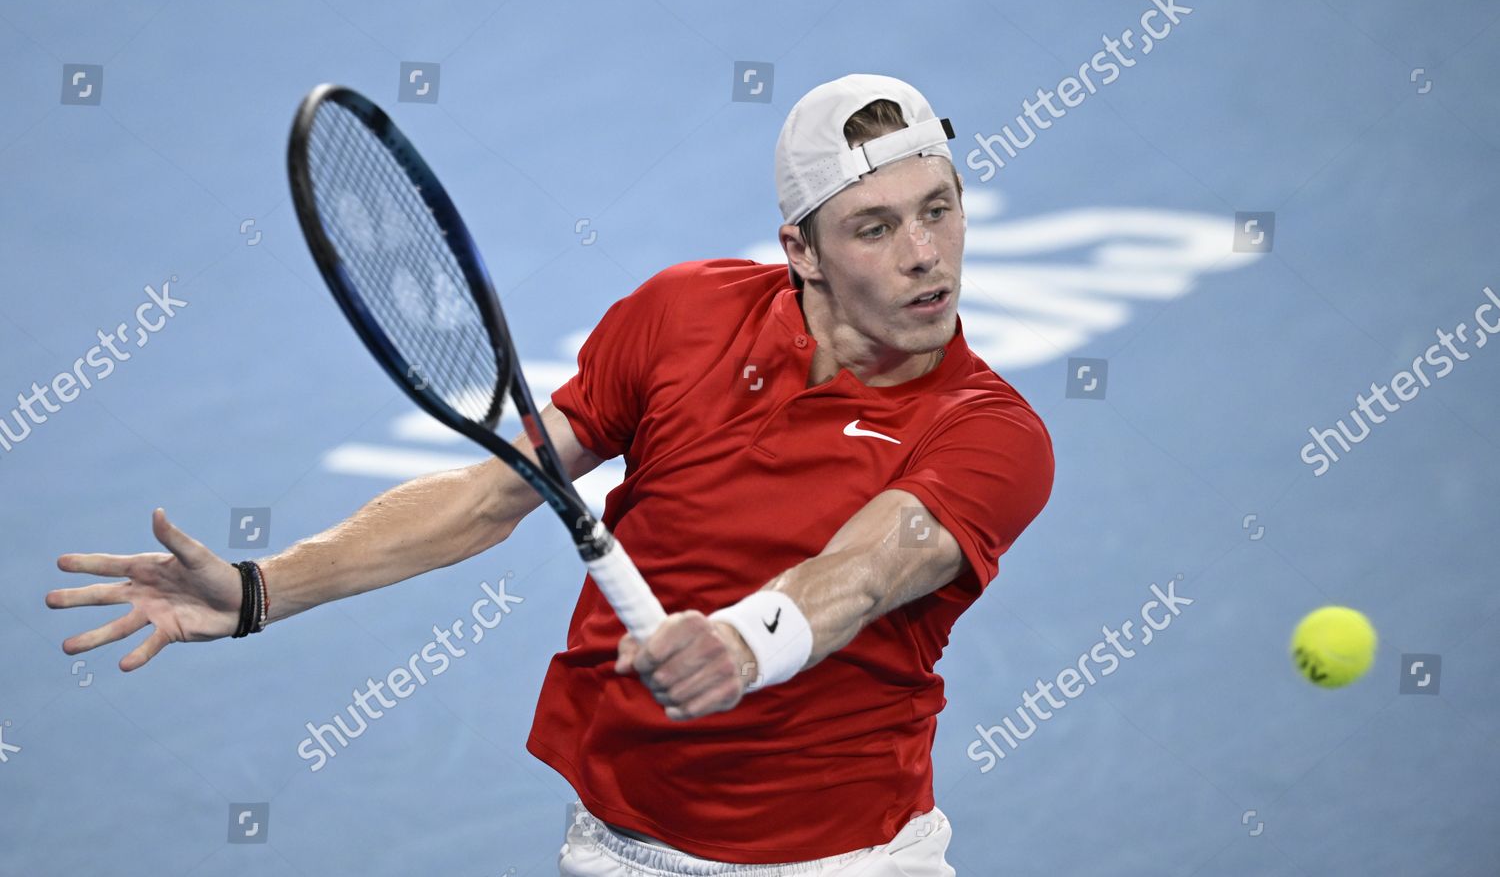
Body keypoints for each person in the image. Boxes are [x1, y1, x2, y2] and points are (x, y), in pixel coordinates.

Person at [46, 73, 1054, 875]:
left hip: (847, 861)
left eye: (940, 209)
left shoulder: (992, 432)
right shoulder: (682, 316)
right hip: (622, 849)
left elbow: (870, 568)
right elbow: (491, 495)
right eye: (875, 227)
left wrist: (745, 645)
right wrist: (263, 589)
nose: (927, 255)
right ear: (802, 248)